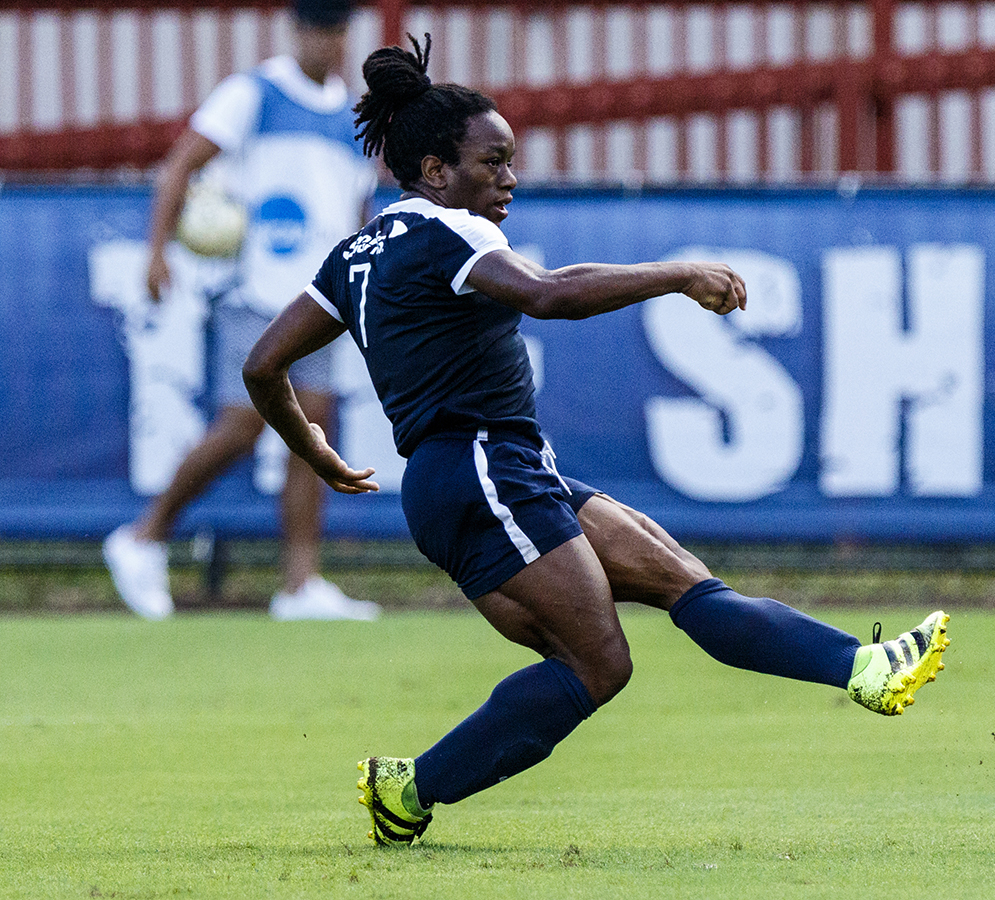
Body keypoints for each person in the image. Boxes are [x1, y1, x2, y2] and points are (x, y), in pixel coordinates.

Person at [240, 35, 952, 847]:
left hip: (495, 470)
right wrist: (677, 273)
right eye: (491, 162)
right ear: (436, 171)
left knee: (685, 584)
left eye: (510, 162)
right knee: (598, 665)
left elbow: (264, 366)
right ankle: (409, 790)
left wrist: (314, 451)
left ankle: (867, 670)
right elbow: (547, 295)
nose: (508, 179)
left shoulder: (354, 254)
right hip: (478, 472)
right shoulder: (448, 231)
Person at [103, 0, 380, 622]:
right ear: (298, 31)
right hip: (254, 290)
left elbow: (357, 212)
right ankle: (142, 537)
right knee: (243, 423)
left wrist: (362, 283)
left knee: (315, 430)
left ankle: (300, 586)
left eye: (337, 29)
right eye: (317, 28)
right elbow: (180, 164)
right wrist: (157, 252)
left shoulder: (357, 118)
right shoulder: (251, 93)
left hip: (321, 298)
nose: (327, 41)